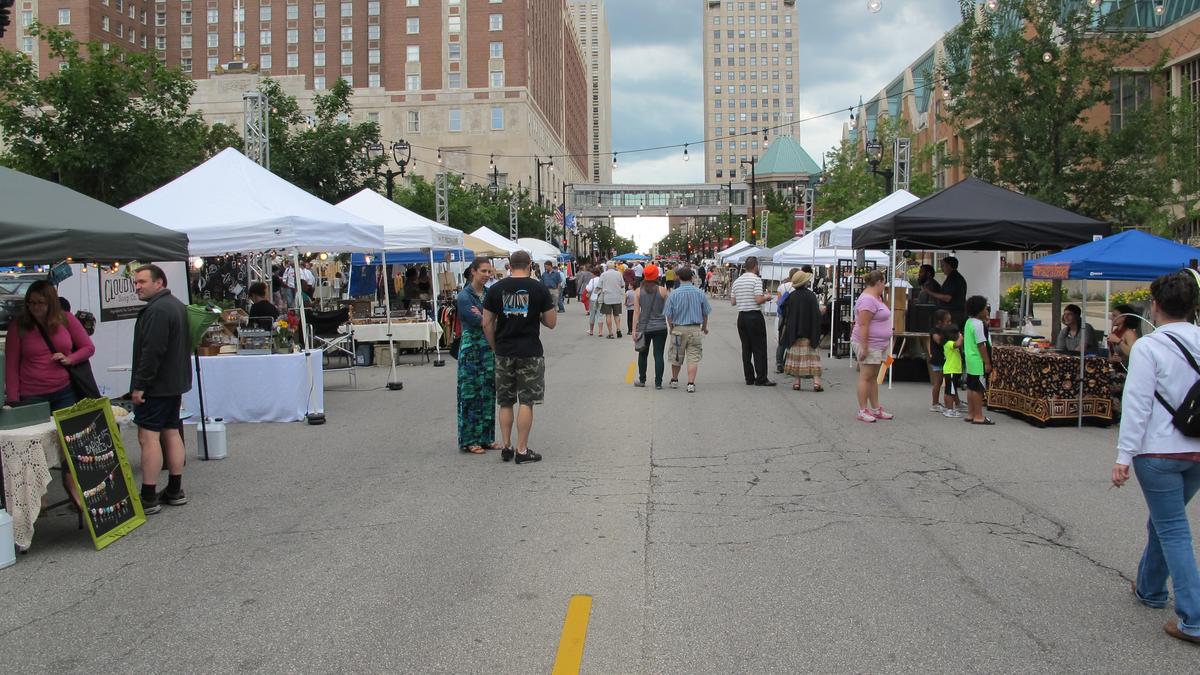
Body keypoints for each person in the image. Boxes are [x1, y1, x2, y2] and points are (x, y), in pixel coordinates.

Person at [1111, 271, 1200, 645]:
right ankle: (1150, 588)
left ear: (1155, 306)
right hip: (1196, 450)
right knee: (1166, 523)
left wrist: (1123, 456)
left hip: (1157, 450)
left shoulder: (1149, 347)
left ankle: (1193, 617)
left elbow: (1137, 405)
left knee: (1172, 529)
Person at [482, 250, 556, 465]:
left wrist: (495, 345)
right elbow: (551, 322)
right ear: (530, 264)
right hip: (530, 351)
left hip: (504, 351)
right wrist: (536, 314)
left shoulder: (495, 289)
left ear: (509, 264)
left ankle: (506, 446)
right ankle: (522, 449)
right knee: (527, 400)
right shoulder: (539, 288)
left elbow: (486, 322)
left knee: (505, 401)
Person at [130, 265, 192, 514]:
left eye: (142, 281)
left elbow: (152, 351)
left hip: (157, 386)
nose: (138, 286)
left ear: (159, 282)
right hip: (173, 383)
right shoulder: (176, 305)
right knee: (171, 432)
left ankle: (148, 495)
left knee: (149, 437)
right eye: (136, 282)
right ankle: (175, 489)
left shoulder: (157, 310)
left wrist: (139, 386)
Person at [5, 280, 95, 411]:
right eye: (31, 303)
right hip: (32, 396)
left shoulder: (66, 319)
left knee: (67, 431)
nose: (35, 307)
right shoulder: (18, 326)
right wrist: (13, 401)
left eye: (40, 302)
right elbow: (11, 366)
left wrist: (70, 359)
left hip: (65, 392)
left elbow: (88, 347)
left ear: (51, 302)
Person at [456, 259, 501, 455]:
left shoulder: (490, 293)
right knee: (470, 393)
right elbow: (481, 321)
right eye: (483, 271)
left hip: (488, 346)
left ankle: (487, 437)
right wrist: (486, 316)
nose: (487, 275)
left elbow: (495, 318)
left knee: (488, 392)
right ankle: (470, 439)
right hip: (472, 347)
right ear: (473, 272)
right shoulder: (464, 296)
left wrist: (485, 316)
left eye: (489, 271)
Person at [851, 270, 893, 422]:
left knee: (873, 376)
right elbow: (863, 324)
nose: (884, 286)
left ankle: (875, 408)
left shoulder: (877, 297)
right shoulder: (868, 299)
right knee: (866, 376)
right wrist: (865, 346)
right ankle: (863, 409)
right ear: (879, 282)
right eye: (884, 283)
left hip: (879, 343)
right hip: (869, 343)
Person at [663, 266, 711, 394]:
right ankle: (690, 383)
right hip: (695, 329)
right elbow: (705, 313)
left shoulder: (673, 294)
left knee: (677, 356)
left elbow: (668, 314)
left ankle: (674, 380)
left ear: (678, 277)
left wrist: (671, 328)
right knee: (693, 357)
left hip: (678, 329)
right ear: (692, 277)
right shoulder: (700, 293)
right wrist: (704, 328)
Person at [731, 256, 774, 386]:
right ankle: (761, 377)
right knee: (759, 347)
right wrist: (766, 297)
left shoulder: (737, 281)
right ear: (756, 266)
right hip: (754, 316)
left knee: (746, 347)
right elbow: (758, 299)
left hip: (742, 317)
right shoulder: (756, 280)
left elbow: (733, 302)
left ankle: (749, 377)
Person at [780, 270, 824, 392]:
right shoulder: (811, 296)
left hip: (794, 331)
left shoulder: (791, 296)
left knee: (796, 358)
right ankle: (816, 383)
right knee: (812, 357)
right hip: (809, 332)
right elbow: (815, 314)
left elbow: (785, 311)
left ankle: (797, 382)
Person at [632, 264, 669, 389]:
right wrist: (671, 325)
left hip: (644, 328)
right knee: (658, 355)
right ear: (657, 275)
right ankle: (658, 383)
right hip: (661, 327)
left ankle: (642, 380)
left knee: (643, 354)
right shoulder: (663, 290)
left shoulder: (638, 292)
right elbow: (668, 311)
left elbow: (636, 312)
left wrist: (633, 330)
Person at [962, 295, 994, 425]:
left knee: (971, 387)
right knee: (978, 389)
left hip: (970, 359)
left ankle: (971, 413)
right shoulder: (979, 324)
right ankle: (979, 415)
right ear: (980, 310)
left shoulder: (969, 322)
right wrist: (987, 362)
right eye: (986, 309)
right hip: (978, 360)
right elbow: (981, 344)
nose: (987, 311)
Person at [774, 267, 801, 374]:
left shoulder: (782, 287)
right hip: (795, 316)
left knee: (782, 341)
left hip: (783, 316)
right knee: (793, 341)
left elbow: (779, 302)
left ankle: (779, 363)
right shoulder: (798, 287)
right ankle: (787, 362)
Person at [924, 256, 967, 323]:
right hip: (954, 313)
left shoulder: (954, 279)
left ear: (949, 266)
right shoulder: (954, 277)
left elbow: (947, 298)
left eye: (943, 266)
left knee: (950, 333)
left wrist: (929, 292)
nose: (941, 268)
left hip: (953, 313)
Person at [939, 317, 965, 419]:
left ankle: (948, 408)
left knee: (949, 391)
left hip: (953, 370)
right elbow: (958, 344)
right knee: (950, 391)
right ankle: (950, 409)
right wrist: (961, 336)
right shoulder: (949, 343)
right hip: (951, 370)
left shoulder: (948, 343)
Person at [928, 309, 949, 413]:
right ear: (940, 322)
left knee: (947, 380)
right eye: (947, 321)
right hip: (938, 359)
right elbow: (939, 341)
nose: (949, 324)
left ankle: (950, 402)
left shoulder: (944, 330)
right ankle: (935, 403)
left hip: (945, 359)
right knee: (938, 381)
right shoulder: (934, 331)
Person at [598, 263, 626, 339]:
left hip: (607, 297)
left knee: (608, 315)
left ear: (607, 267)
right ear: (614, 267)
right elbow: (622, 285)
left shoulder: (603, 274)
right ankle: (618, 329)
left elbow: (599, 286)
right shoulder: (619, 274)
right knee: (616, 315)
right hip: (617, 297)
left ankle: (610, 333)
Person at [586, 267, 604, 336]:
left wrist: (587, 286)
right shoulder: (601, 280)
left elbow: (589, 289)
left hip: (593, 299)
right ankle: (600, 331)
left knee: (592, 315)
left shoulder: (592, 280)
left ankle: (591, 331)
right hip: (600, 299)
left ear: (593, 273)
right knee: (600, 315)